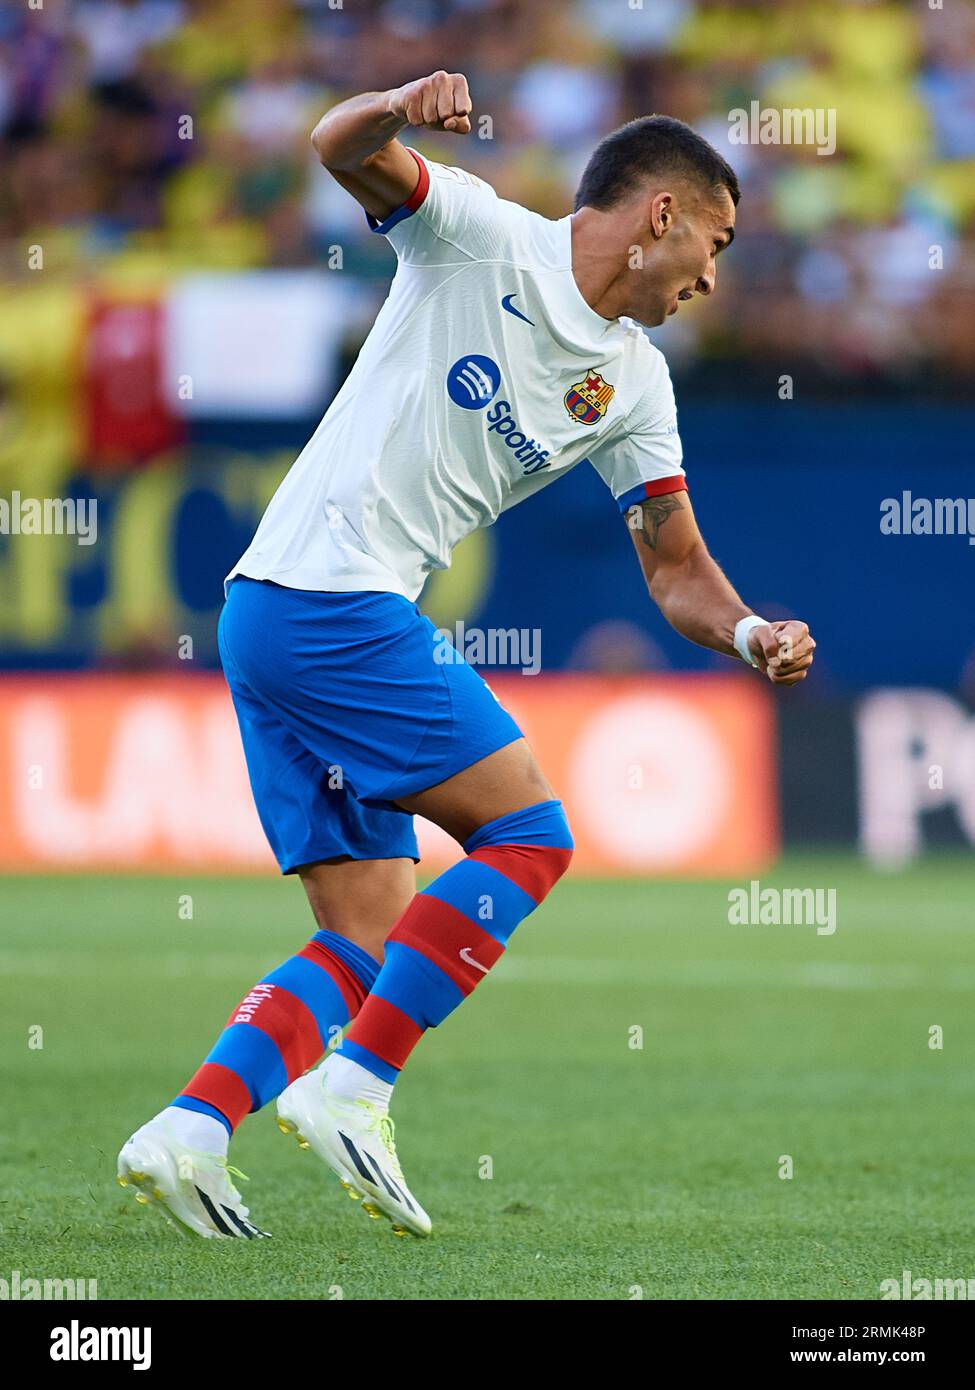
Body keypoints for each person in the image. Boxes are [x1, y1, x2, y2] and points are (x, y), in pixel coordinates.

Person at [118, 71, 815, 1239]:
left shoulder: (635, 383)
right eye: (716, 240)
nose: (713, 274)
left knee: (369, 931)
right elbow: (339, 144)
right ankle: (356, 1083)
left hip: (273, 613)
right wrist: (397, 102)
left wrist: (745, 629)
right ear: (661, 214)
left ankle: (188, 1128)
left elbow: (674, 566)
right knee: (531, 831)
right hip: (331, 597)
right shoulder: (479, 235)